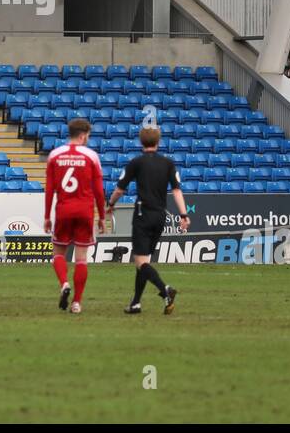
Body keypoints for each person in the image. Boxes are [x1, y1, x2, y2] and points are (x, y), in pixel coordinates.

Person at [107, 126, 186, 314]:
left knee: (141, 261)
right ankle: (136, 303)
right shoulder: (168, 163)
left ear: (141, 142)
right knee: (142, 261)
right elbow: (176, 190)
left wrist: (110, 204)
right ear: (158, 142)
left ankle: (165, 289)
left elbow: (120, 189)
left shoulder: (136, 163)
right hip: (160, 215)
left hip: (143, 215)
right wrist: (184, 215)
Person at [44, 117, 105, 314]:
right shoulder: (91, 156)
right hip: (85, 211)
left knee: (58, 254)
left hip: (63, 210)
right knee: (81, 259)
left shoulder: (55, 155)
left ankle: (64, 283)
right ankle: (77, 303)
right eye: (88, 135)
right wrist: (102, 216)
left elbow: (50, 189)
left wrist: (47, 216)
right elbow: (98, 190)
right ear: (83, 135)